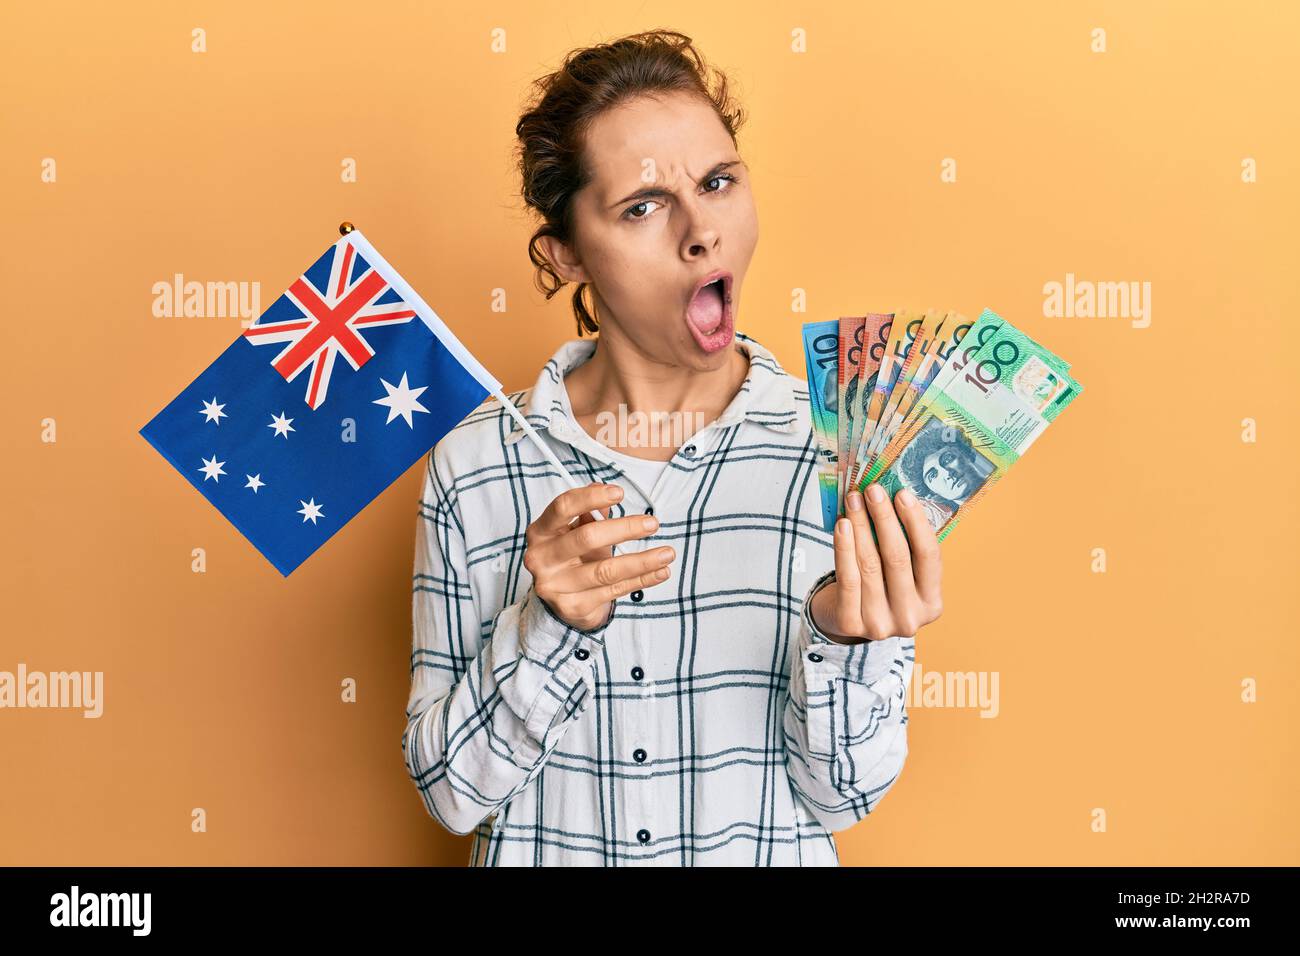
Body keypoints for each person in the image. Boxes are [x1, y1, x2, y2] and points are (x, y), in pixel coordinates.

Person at [401, 29, 944, 866]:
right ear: (565, 254)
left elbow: (845, 797)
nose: (702, 233)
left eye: (718, 182)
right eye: (643, 206)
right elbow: (450, 794)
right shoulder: (477, 465)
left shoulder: (840, 448)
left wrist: (844, 641)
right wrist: (545, 623)